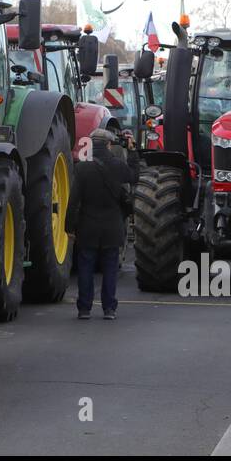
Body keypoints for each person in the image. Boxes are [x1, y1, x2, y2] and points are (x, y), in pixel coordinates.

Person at [66, 128, 140, 320]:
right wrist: (132, 152)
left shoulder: (82, 168)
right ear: (108, 145)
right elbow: (134, 177)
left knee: (85, 268)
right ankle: (109, 309)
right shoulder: (117, 166)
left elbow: (73, 200)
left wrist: (69, 227)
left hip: (87, 225)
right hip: (112, 226)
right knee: (110, 269)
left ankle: (84, 309)